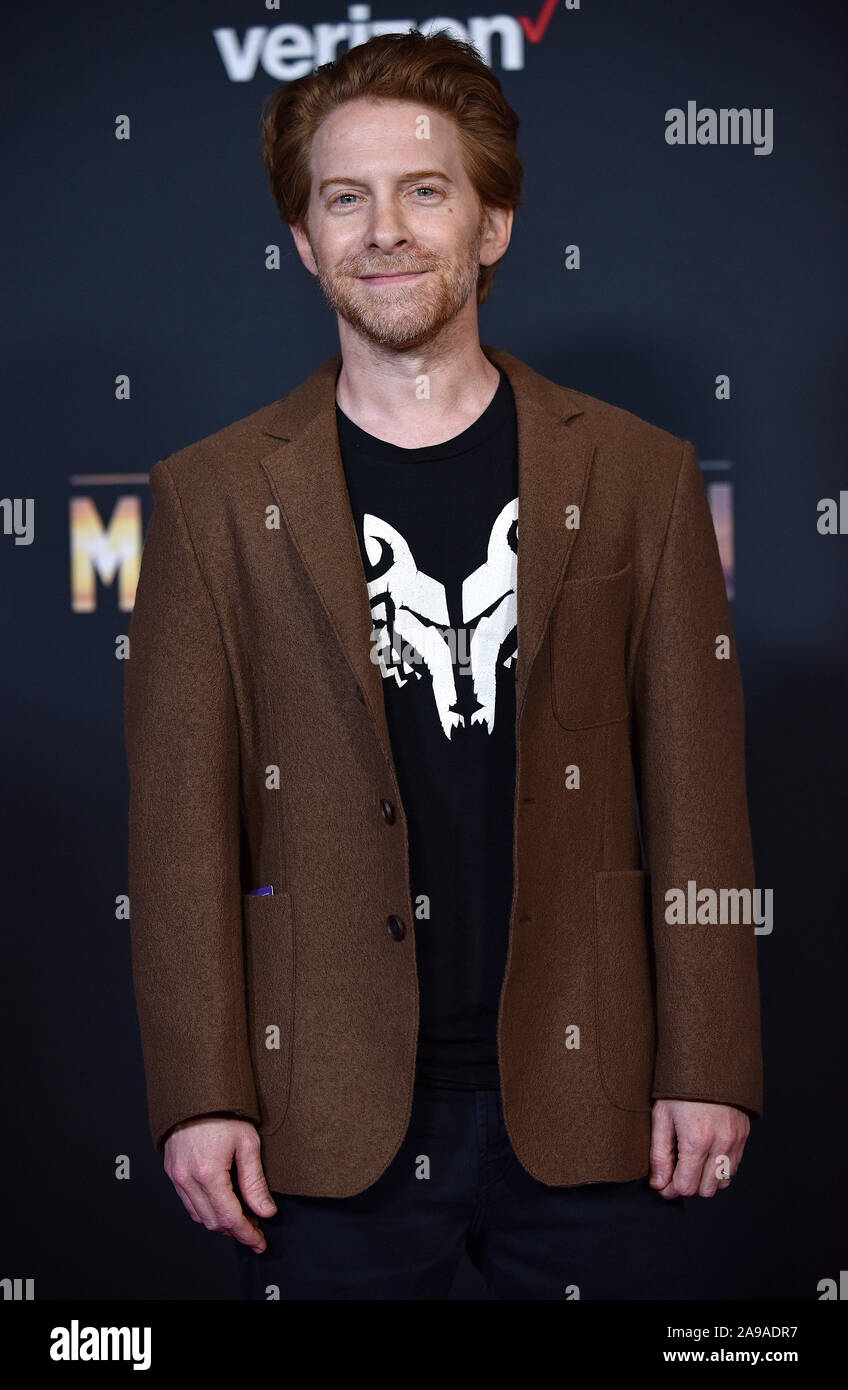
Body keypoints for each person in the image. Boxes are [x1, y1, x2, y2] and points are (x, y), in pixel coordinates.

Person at [124, 29, 763, 1300]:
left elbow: (697, 794)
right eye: (342, 197)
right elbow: (179, 830)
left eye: (424, 191)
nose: (385, 230)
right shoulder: (207, 497)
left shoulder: (636, 474)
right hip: (323, 1111)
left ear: (493, 225)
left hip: (599, 1099)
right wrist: (201, 1089)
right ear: (303, 241)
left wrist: (710, 1059)